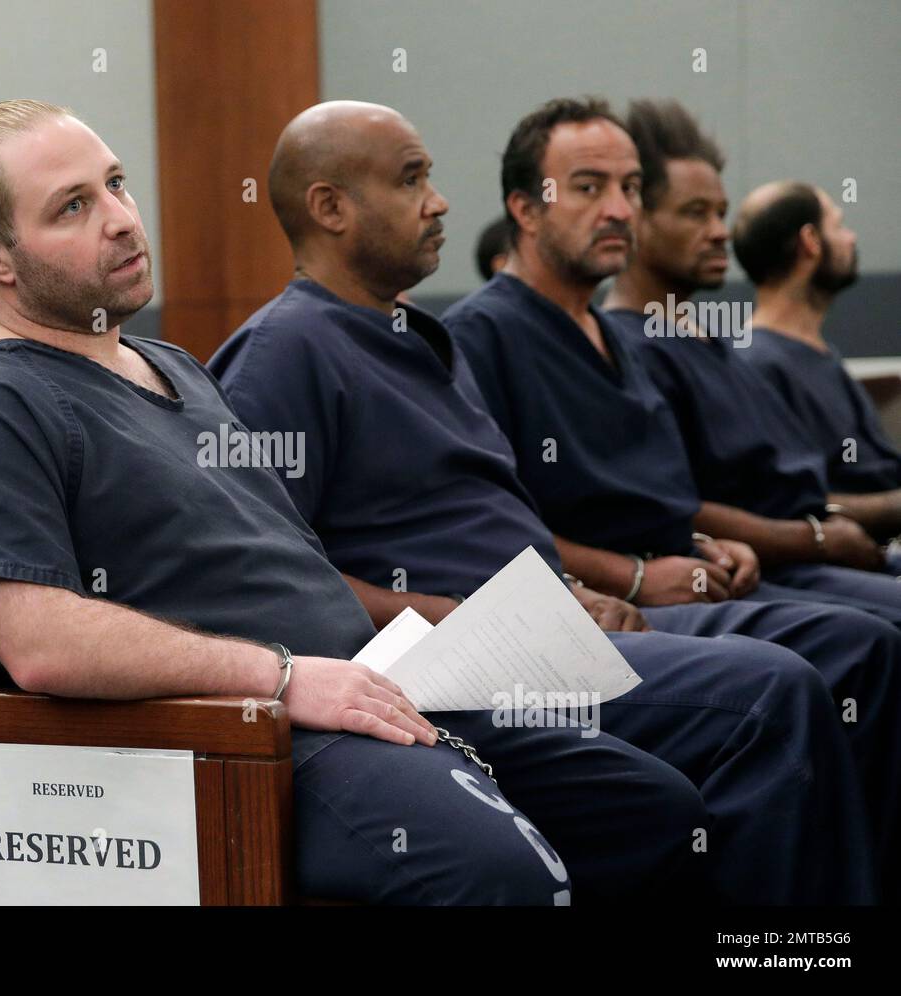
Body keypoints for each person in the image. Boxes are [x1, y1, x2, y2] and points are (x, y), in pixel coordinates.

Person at [0, 98, 721, 906]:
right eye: (72, 206)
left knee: (655, 817)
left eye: (116, 184)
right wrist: (284, 678)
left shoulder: (173, 367)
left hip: (366, 686)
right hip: (242, 738)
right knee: (502, 876)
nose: (118, 217)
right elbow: (41, 643)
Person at [209, 99, 879, 904]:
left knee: (848, 650)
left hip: (548, 624)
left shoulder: (419, 336)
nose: (441, 200)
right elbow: (274, 583)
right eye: (412, 179)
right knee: (775, 696)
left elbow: (498, 521)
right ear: (330, 208)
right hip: (455, 662)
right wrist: (459, 611)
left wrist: (574, 588)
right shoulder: (284, 353)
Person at [443, 97, 901, 899]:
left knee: (863, 643)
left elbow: (672, 498)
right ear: (523, 208)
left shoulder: (618, 338)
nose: (619, 208)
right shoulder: (480, 339)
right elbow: (502, 525)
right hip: (599, 608)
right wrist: (628, 573)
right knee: (849, 652)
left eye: (629, 187)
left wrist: (712, 544)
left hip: (694, 581)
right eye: (588, 188)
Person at [602, 98, 901, 624]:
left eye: (720, 212)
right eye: (696, 213)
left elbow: (795, 485)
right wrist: (819, 539)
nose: (720, 230)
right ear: (637, 220)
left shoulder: (709, 339)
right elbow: (680, 507)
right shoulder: (631, 347)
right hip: (765, 573)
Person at [731, 181, 901, 541]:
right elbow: (792, 501)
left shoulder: (816, 352)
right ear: (810, 241)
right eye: (839, 226)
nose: (852, 238)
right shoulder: (756, 365)